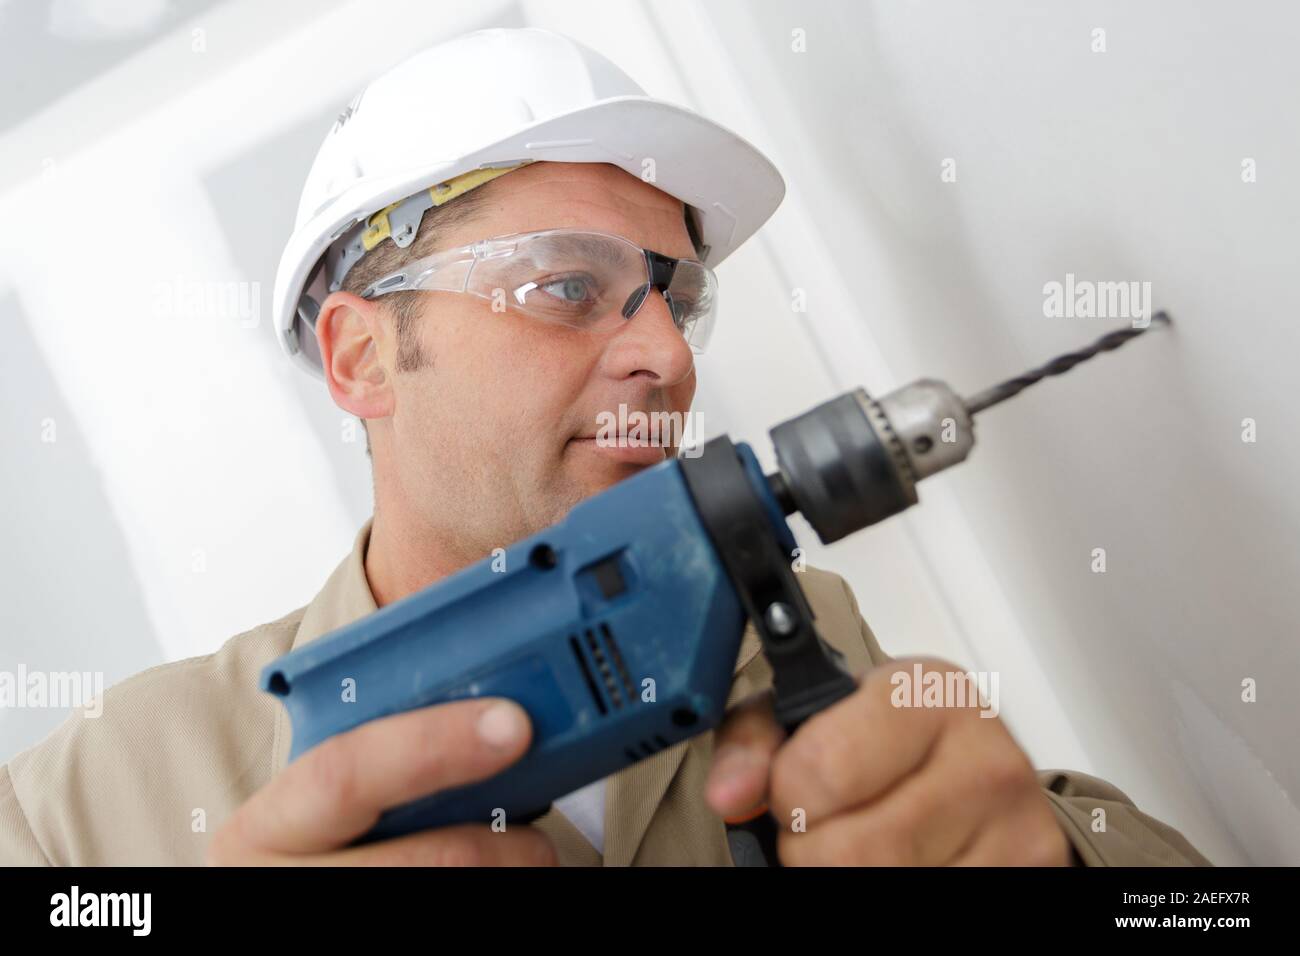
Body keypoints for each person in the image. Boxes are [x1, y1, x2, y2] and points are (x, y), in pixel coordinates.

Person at [0, 28, 1207, 867]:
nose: (668, 360)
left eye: (675, 300)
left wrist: (1049, 855)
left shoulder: (790, 637)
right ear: (361, 358)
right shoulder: (87, 802)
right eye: (569, 285)